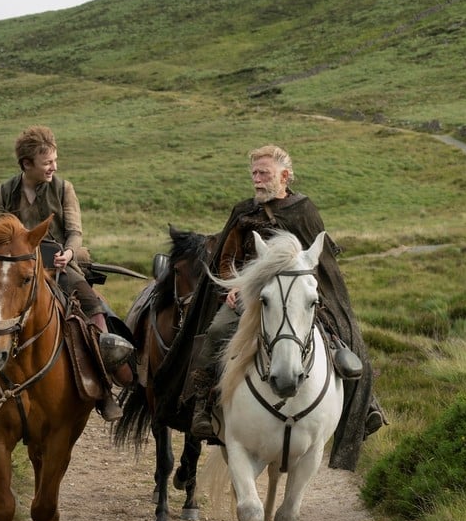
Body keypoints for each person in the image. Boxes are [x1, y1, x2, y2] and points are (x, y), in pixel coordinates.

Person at [159, 144, 386, 472]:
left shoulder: (303, 210)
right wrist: (234, 285)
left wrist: (309, 291)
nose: (257, 180)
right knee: (218, 331)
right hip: (253, 297)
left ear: (285, 176)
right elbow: (226, 257)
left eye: (263, 173)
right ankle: (203, 408)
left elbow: (321, 262)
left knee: (342, 331)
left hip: (297, 293)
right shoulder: (243, 212)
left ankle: (365, 406)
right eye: (254, 174)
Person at [0, 125, 127, 421]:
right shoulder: (5, 191)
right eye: (47, 162)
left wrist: (68, 254)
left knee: (93, 307)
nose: (54, 167)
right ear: (26, 164)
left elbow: (75, 232)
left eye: (55, 161)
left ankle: (104, 389)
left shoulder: (63, 188)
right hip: (13, 270)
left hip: (58, 265)